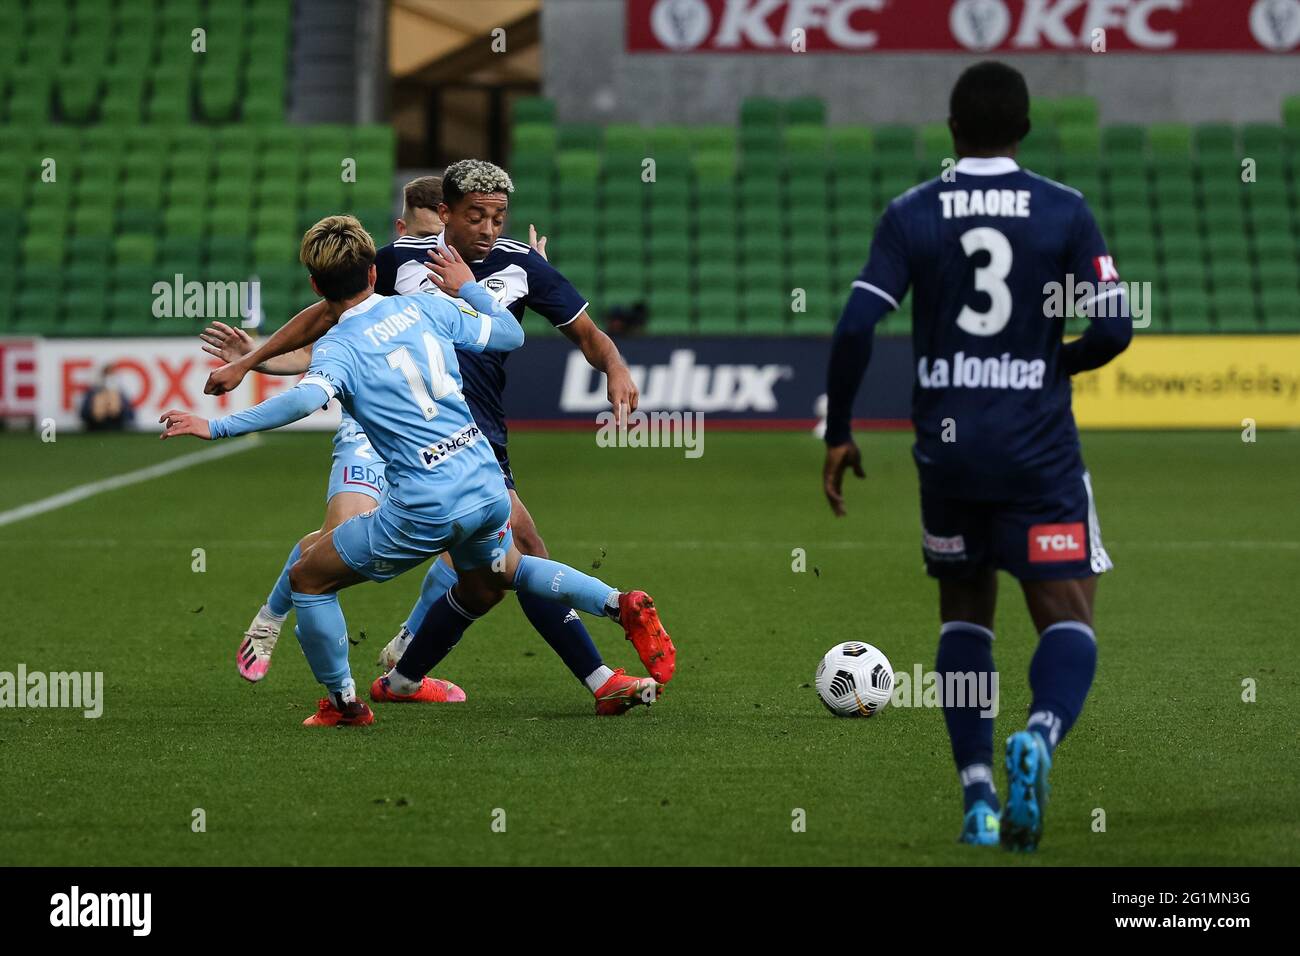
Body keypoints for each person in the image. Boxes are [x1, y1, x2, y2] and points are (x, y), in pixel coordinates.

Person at [163, 215, 674, 727]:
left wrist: (218, 427)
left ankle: (343, 704)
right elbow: (509, 333)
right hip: (484, 483)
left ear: (316, 286)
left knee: (308, 577)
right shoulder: (426, 306)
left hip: (426, 506)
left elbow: (302, 401)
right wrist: (472, 290)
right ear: (371, 274)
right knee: (508, 568)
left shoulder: (339, 347)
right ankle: (617, 601)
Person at [821, 62, 1132, 851]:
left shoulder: (913, 212)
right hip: (1038, 451)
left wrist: (840, 431)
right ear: (1024, 131)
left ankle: (979, 798)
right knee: (1068, 613)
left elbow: (856, 328)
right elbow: (1116, 329)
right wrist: (1052, 362)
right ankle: (1042, 735)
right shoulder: (1065, 209)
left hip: (949, 454)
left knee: (966, 615)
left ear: (951, 129)